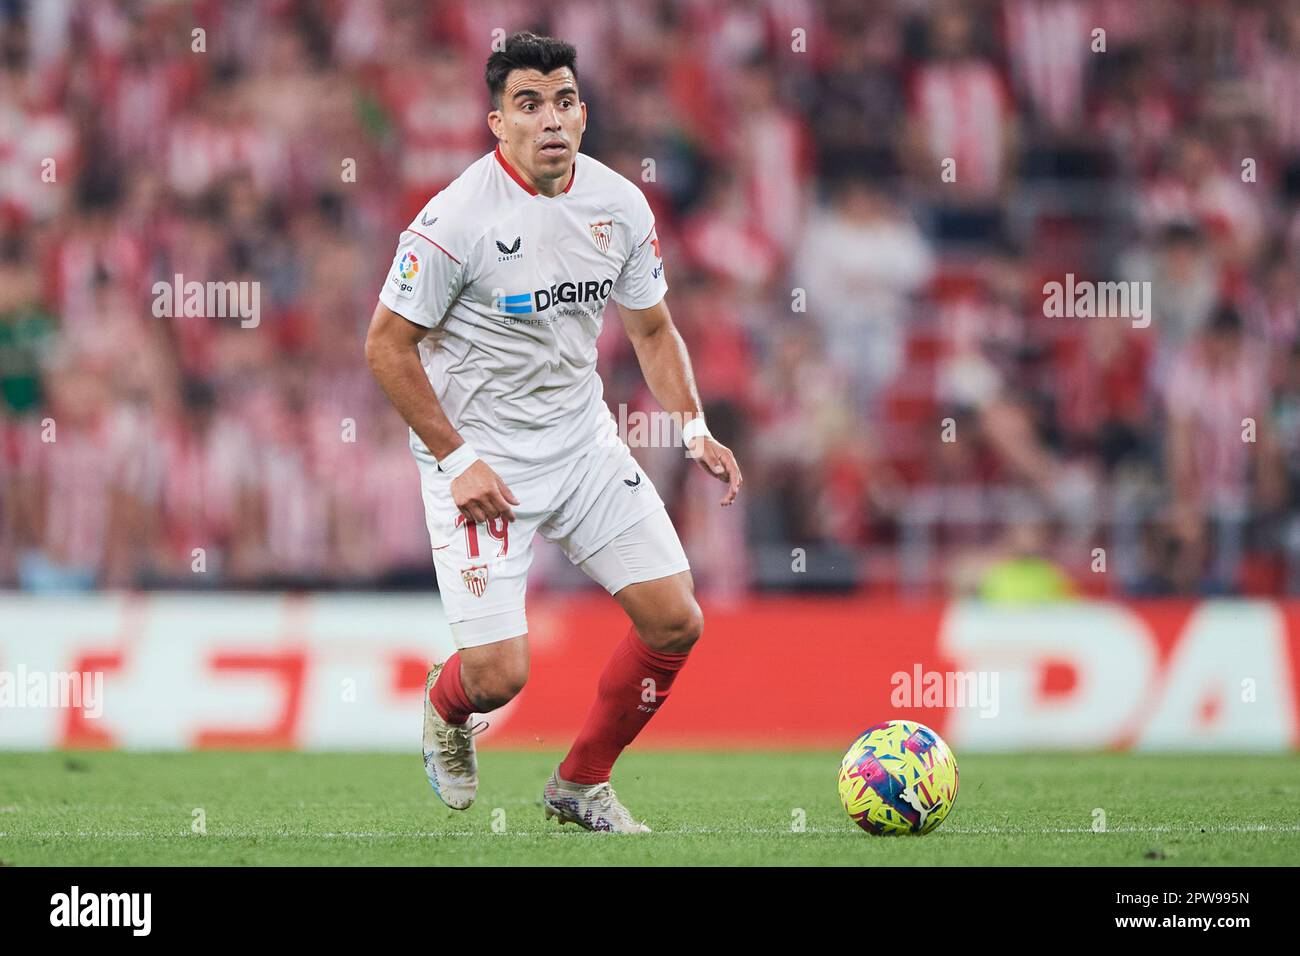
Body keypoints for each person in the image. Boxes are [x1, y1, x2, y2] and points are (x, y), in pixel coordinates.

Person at [364, 32, 743, 833]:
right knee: (500, 676)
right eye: (528, 105)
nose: (550, 120)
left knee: (677, 619)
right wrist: (457, 458)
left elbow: (652, 328)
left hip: (581, 444)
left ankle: (580, 784)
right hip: (479, 461)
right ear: (496, 123)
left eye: (564, 101)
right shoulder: (453, 222)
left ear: (583, 113)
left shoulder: (619, 205)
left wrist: (694, 428)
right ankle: (447, 704)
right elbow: (384, 346)